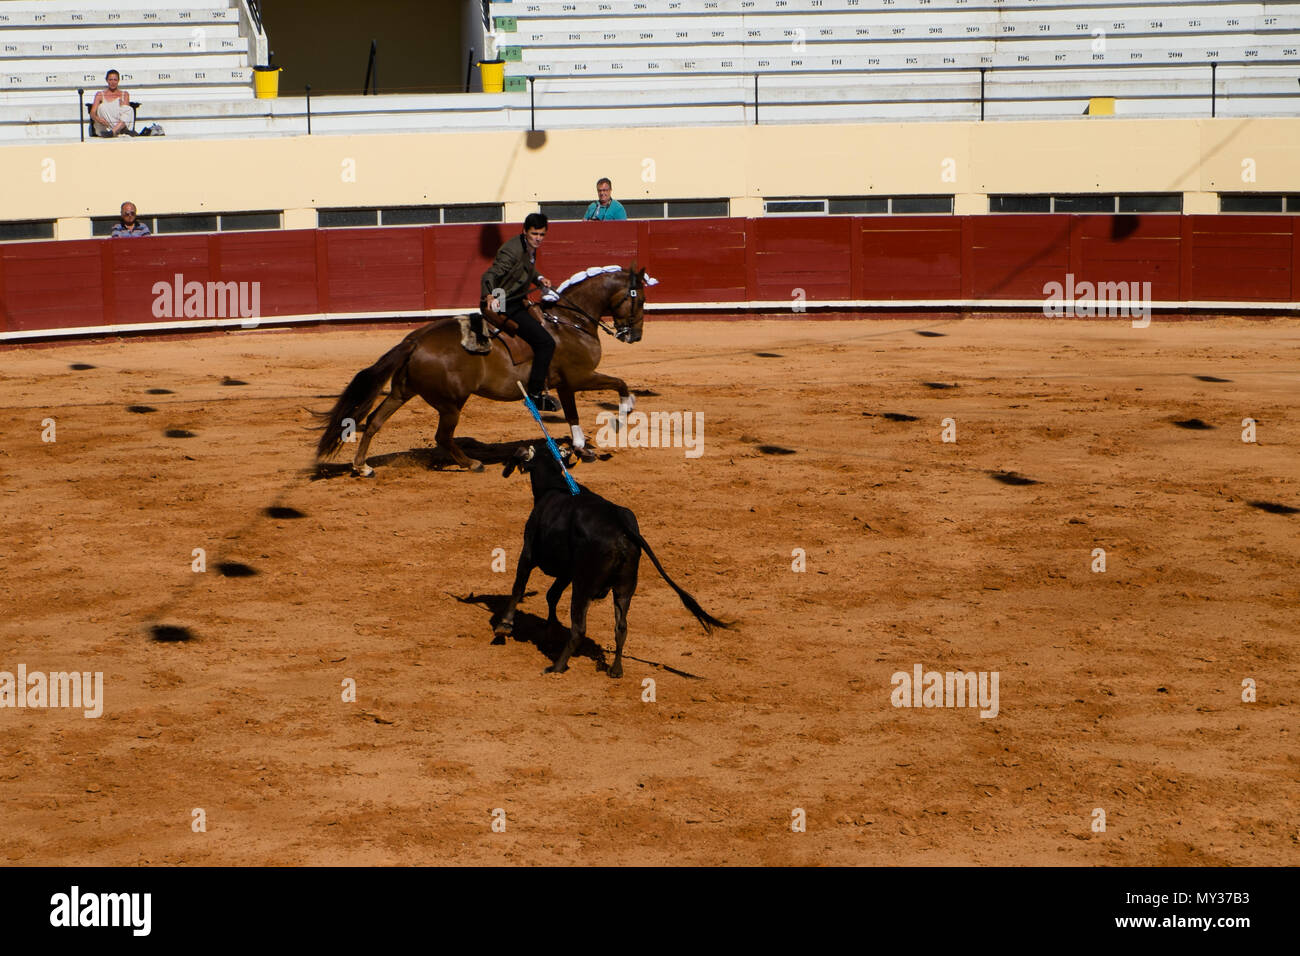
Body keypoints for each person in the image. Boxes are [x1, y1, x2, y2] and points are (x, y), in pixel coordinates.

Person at [477, 213, 560, 411]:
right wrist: (489, 295)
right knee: (546, 342)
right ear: (525, 231)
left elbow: (526, 268)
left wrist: (539, 278)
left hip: (515, 299)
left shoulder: (528, 246)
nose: (538, 238)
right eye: (534, 234)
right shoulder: (512, 250)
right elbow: (490, 274)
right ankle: (534, 395)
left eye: (542, 234)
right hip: (504, 302)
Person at [91, 70, 134, 137]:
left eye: (115, 80)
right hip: (106, 126)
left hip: (119, 125)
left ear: (118, 81)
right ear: (107, 80)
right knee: (102, 107)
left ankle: (113, 131)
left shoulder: (124, 94)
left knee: (129, 109)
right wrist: (98, 119)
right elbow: (92, 113)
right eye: (110, 80)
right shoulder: (100, 94)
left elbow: (125, 113)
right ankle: (113, 131)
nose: (113, 82)